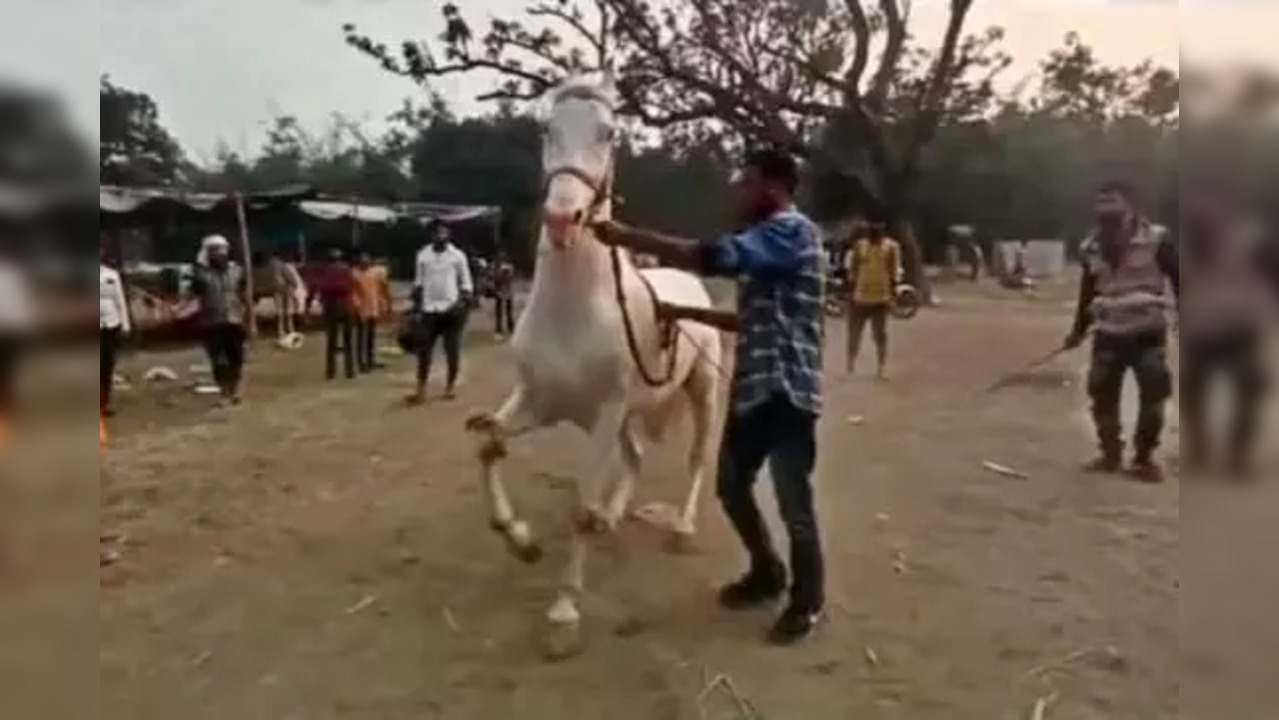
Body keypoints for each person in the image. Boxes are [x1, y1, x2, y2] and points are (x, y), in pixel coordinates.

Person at [592, 147, 826, 646]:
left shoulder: (790, 231)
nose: (739, 191)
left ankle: (807, 600)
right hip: (755, 389)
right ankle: (767, 571)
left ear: (773, 187)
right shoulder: (769, 244)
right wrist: (685, 314)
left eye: (748, 183)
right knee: (731, 486)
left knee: (793, 501)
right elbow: (750, 319)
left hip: (787, 389)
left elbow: (711, 256)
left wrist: (627, 236)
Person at [1062, 181, 1178, 483]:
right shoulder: (1091, 247)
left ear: (1130, 205)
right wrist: (1078, 330)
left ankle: (1144, 458)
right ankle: (1110, 454)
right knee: (1101, 394)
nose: (1104, 209)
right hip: (1108, 332)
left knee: (1153, 394)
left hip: (1147, 332)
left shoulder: (1157, 240)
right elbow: (1087, 292)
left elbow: (1180, 280)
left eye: (1112, 202)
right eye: (1100, 203)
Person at [1179, 177, 1279, 479]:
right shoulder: (1189, 247)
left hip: (1240, 329)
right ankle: (1200, 449)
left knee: (1248, 392)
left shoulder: (1252, 242)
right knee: (1192, 392)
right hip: (1201, 330)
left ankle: (1238, 455)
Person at [407, 222, 473, 403]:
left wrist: (461, 305)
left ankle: (450, 386)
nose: (441, 236)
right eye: (438, 233)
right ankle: (421, 389)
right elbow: (418, 283)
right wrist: (416, 308)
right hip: (429, 309)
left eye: (444, 233)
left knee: (452, 350)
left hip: (451, 308)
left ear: (449, 235)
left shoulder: (457, 256)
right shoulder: (423, 255)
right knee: (423, 350)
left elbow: (466, 284)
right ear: (432, 235)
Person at [191, 235, 249, 406]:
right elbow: (195, 293)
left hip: (235, 320)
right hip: (211, 323)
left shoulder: (237, 271)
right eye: (214, 250)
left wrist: (250, 319)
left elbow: (244, 295)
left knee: (236, 358)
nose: (219, 254)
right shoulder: (200, 274)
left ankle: (235, 390)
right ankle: (224, 392)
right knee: (218, 360)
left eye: (222, 249)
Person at [845, 222, 903, 379]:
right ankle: (850, 363)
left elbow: (894, 272)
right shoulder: (860, 246)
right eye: (871, 236)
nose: (874, 239)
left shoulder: (891, 248)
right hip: (860, 298)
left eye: (876, 236)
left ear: (882, 235)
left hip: (880, 298)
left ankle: (881, 367)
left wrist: (892, 295)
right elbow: (853, 270)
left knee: (880, 334)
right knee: (854, 333)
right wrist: (850, 291)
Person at [315, 247, 358, 380]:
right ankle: (349, 371)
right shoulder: (347, 270)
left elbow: (320, 288)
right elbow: (352, 286)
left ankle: (330, 372)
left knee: (331, 342)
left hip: (331, 307)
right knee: (348, 341)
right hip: (345, 306)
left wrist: (320, 301)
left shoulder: (325, 271)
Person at [100, 249, 132, 417]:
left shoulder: (111, 274)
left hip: (111, 323)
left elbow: (119, 299)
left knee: (107, 364)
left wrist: (125, 324)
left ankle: (103, 402)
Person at [351, 252, 392, 372]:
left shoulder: (376, 273)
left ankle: (370, 361)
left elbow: (384, 288)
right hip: (361, 308)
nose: (365, 262)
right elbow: (353, 292)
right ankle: (361, 362)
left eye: (366, 260)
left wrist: (386, 303)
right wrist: (356, 307)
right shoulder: (354, 274)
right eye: (362, 260)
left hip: (373, 307)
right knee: (361, 336)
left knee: (370, 336)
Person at [491, 251, 516, 338]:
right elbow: (495, 278)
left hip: (508, 292)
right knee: (499, 312)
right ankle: (499, 329)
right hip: (499, 292)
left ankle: (510, 327)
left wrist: (506, 273)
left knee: (509, 312)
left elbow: (510, 277)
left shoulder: (510, 267)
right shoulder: (496, 267)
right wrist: (500, 273)